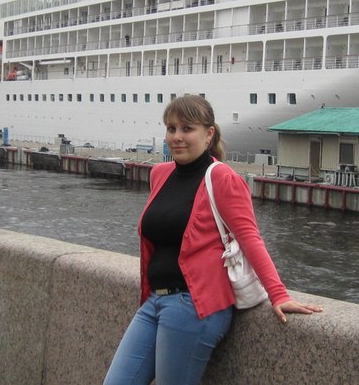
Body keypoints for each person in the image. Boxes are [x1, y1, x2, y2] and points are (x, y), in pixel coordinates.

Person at [104, 95, 322, 384]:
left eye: (187, 129)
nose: (177, 137)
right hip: (154, 301)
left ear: (208, 135)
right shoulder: (160, 174)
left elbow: (250, 238)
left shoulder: (222, 178)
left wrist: (279, 295)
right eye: (171, 128)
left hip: (193, 307)